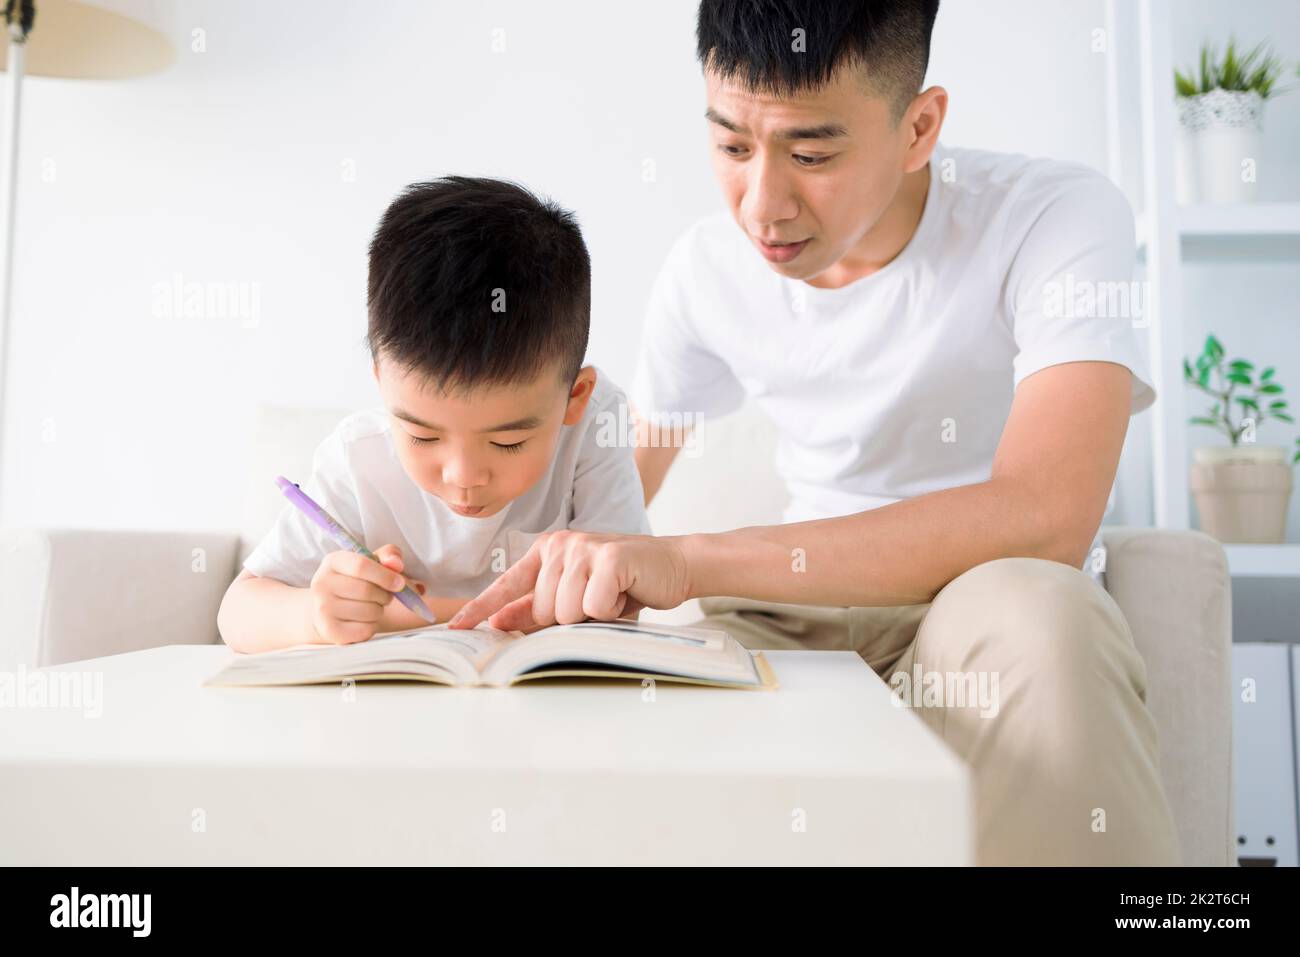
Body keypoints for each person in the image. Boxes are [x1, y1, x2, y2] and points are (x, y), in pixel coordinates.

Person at [451, 1, 1180, 865]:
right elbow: (614, 484)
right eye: (730, 146)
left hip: (974, 603)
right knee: (599, 698)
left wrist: (688, 560)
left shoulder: (1051, 216)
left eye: (811, 153)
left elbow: (1047, 514)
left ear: (920, 127)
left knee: (1045, 614)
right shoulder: (704, 273)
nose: (763, 205)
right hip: (781, 622)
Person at [218, 177, 650, 653]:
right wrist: (313, 617)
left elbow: (622, 597)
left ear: (576, 397)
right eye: (423, 437)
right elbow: (237, 612)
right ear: (381, 381)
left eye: (508, 443)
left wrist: (402, 616)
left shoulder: (596, 423)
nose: (464, 478)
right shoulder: (357, 458)